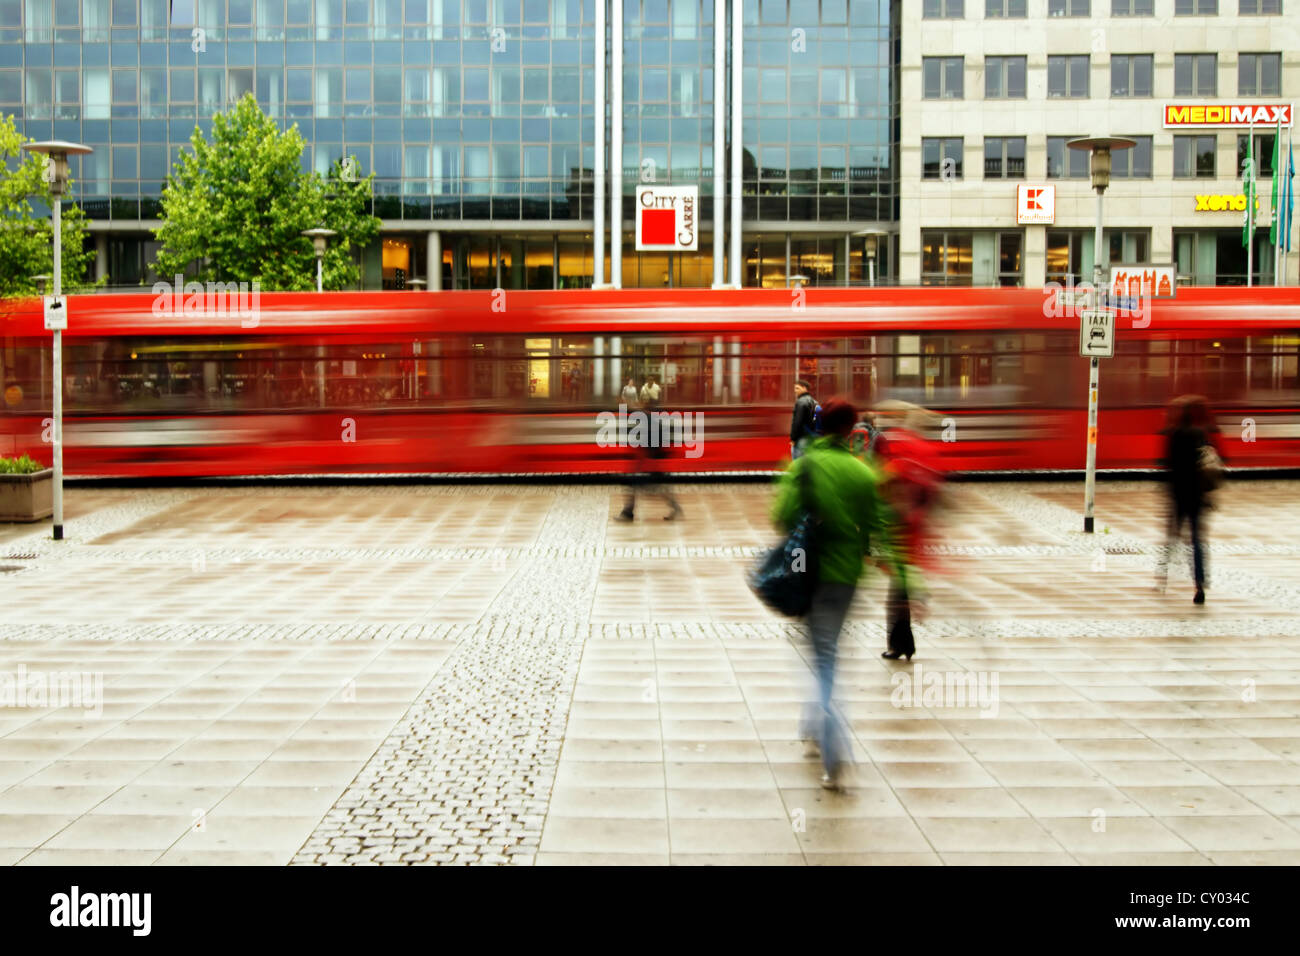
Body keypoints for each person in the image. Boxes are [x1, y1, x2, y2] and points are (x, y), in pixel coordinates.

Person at [772, 397, 894, 790]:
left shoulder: (803, 466)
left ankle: (832, 747)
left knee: (819, 656)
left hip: (807, 573)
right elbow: (876, 526)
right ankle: (812, 723)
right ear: (851, 430)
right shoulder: (862, 472)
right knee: (827, 650)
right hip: (846, 577)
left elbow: (781, 517)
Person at [873, 405, 944, 660]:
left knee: (897, 592)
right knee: (901, 587)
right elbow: (935, 491)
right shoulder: (929, 453)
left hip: (901, 531)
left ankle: (900, 644)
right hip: (917, 530)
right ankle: (904, 641)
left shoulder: (905, 449)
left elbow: (887, 480)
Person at [1157, 395, 1221, 604]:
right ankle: (1199, 584)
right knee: (1197, 542)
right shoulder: (1199, 434)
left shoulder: (1173, 435)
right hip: (1197, 496)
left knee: (1171, 538)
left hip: (1178, 496)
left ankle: (1163, 576)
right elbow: (1208, 462)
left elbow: (1166, 465)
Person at [789, 379, 817, 459]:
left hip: (801, 439)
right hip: (811, 438)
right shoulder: (814, 401)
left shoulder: (801, 402)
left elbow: (797, 422)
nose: (795, 391)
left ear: (804, 388)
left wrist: (793, 439)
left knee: (798, 462)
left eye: (797, 388)